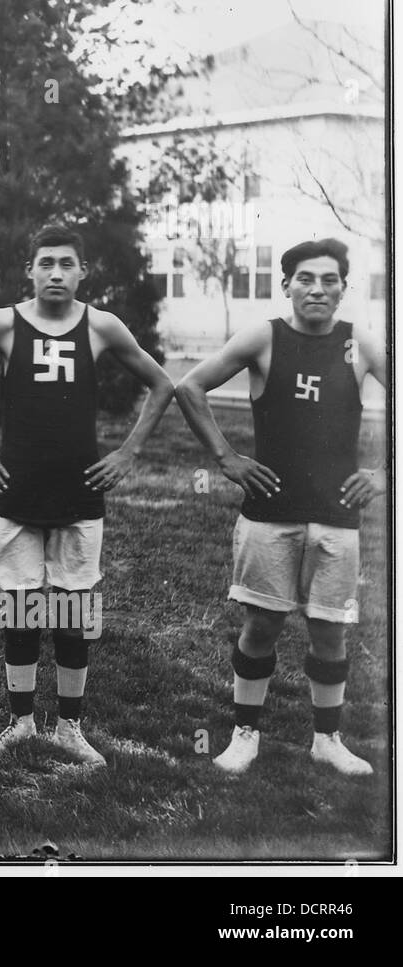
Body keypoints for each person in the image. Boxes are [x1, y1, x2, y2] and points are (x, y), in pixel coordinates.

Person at [0, 224, 174, 766]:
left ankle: (70, 728)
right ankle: (19, 722)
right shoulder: (2, 324)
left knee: (73, 611)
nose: (55, 273)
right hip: (19, 489)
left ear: (83, 272)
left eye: (66, 263)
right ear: (29, 270)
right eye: (45, 263)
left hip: (80, 492)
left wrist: (128, 452)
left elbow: (162, 384)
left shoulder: (102, 326)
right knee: (19, 608)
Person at [175, 238, 385, 776]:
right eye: (306, 278)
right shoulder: (264, 337)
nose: (318, 288)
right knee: (262, 625)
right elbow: (191, 387)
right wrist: (226, 457)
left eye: (330, 279)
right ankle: (245, 734)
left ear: (343, 287)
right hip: (270, 513)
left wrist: (385, 474)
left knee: (330, 632)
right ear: (286, 283)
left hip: (337, 516)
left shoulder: (359, 342)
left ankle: (328, 740)